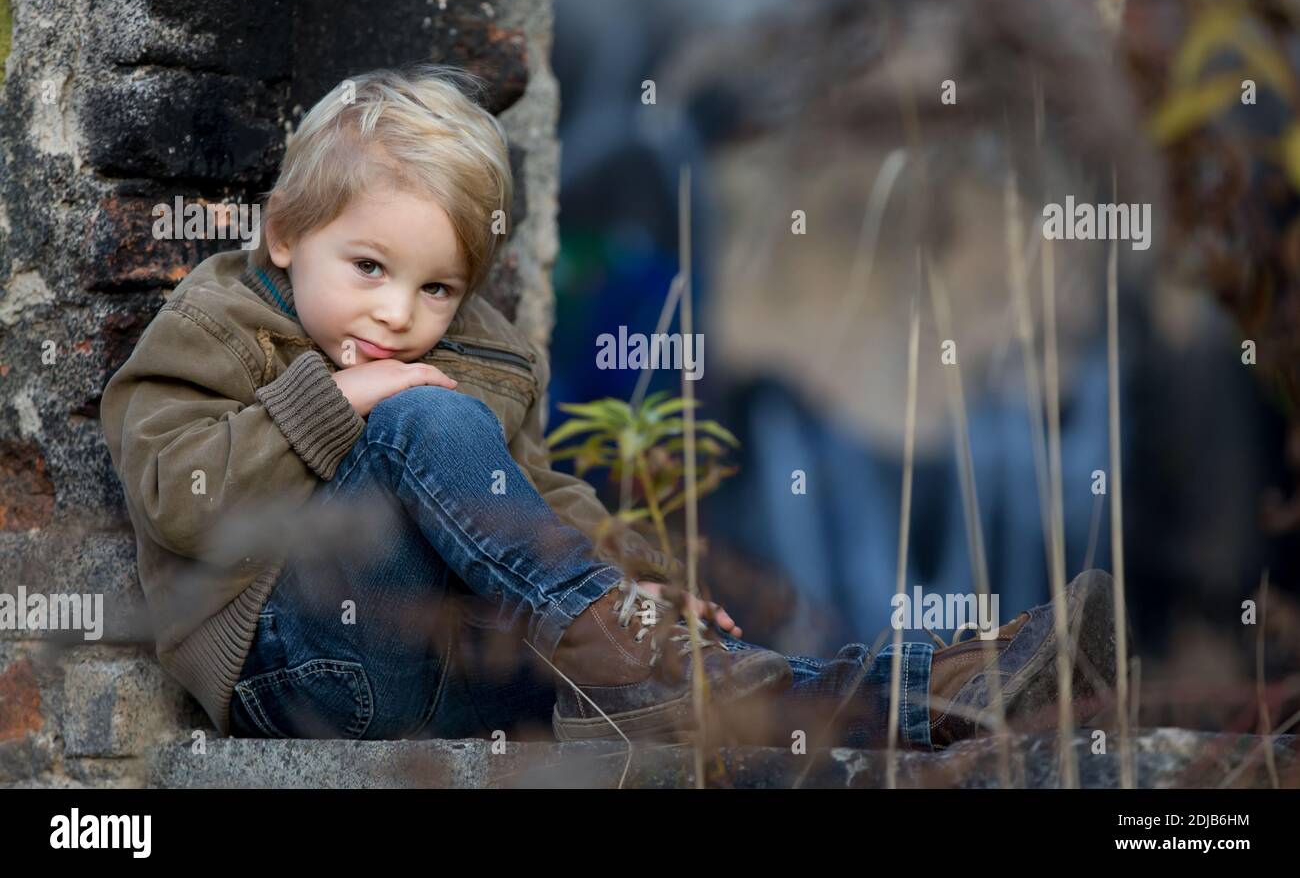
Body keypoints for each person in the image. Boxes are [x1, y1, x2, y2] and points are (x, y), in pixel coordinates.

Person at [100, 64, 1116, 753]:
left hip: (466, 677)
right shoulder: (216, 324)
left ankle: (911, 694)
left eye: (438, 288)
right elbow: (181, 499)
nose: (399, 315)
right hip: (308, 671)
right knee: (423, 419)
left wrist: (636, 575)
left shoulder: (478, 352)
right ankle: (642, 656)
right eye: (368, 267)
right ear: (283, 233)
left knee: (683, 674)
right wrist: (341, 396)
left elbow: (531, 496)